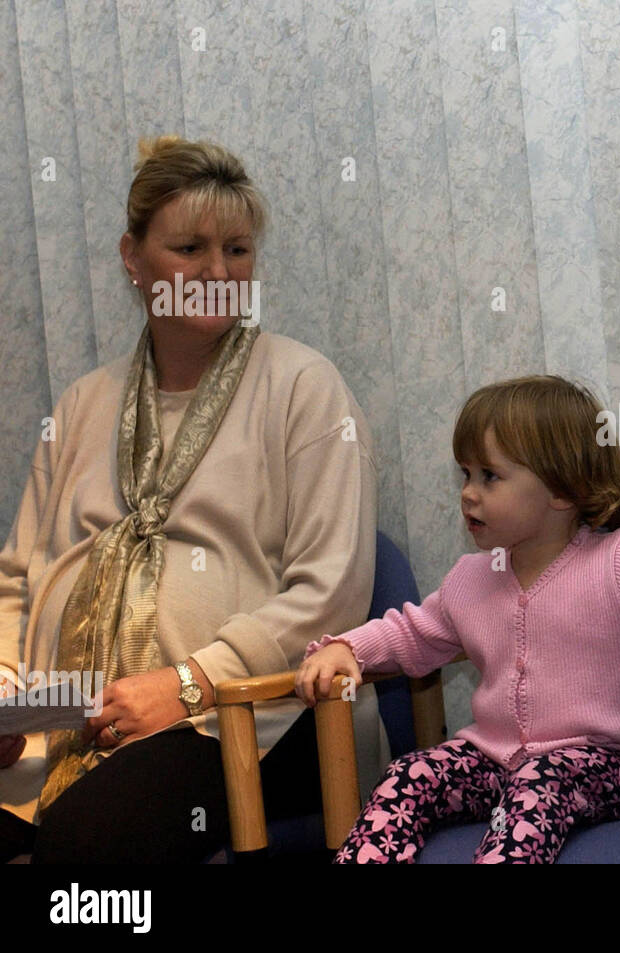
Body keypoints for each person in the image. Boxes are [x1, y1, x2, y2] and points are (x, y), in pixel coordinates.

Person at [0, 136, 382, 863]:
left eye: (237, 250)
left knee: (84, 851)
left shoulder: (304, 388)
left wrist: (188, 683)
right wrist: (6, 693)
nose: (217, 271)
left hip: (240, 714)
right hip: (62, 711)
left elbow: (333, 593)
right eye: (190, 247)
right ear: (132, 258)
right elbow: (17, 577)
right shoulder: (83, 403)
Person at [296, 375, 620, 863]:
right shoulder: (472, 577)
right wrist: (347, 648)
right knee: (407, 776)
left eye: (489, 476)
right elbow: (410, 633)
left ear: (563, 490)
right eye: (465, 474)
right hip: (495, 761)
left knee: (537, 786)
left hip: (612, 767)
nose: (468, 493)